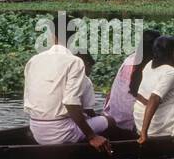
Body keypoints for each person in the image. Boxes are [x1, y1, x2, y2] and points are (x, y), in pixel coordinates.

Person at [23, 23, 111, 152]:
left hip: (36, 130)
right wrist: (92, 137)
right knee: (111, 121)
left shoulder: (33, 60)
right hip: (61, 133)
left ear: (53, 36)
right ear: (73, 38)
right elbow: (71, 103)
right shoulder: (74, 61)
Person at [105, 28, 160, 131]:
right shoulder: (150, 66)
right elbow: (142, 96)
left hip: (113, 115)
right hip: (130, 121)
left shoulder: (129, 59)